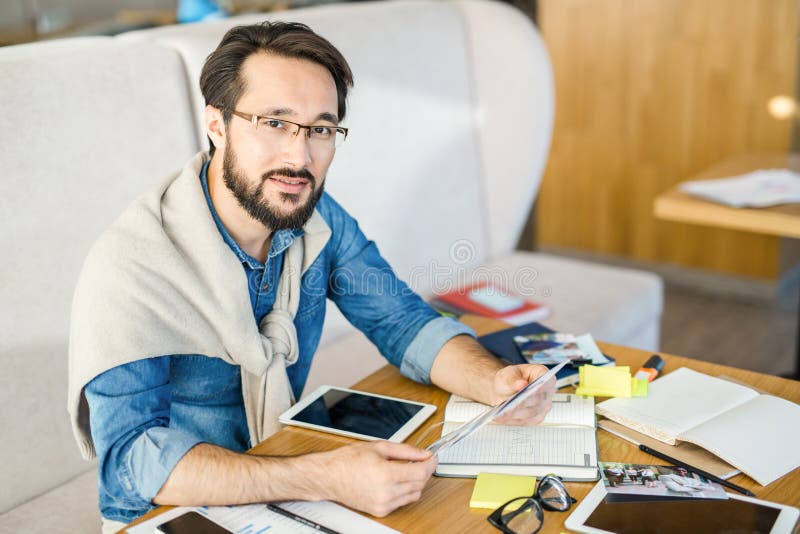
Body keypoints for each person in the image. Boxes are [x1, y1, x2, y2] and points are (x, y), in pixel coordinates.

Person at [66, 21, 556, 532]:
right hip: (176, 514)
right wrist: (321, 476)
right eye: (274, 123)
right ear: (216, 124)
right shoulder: (134, 264)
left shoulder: (315, 219)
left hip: (286, 486)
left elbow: (402, 321)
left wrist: (494, 380)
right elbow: (129, 463)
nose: (299, 158)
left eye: (320, 129)